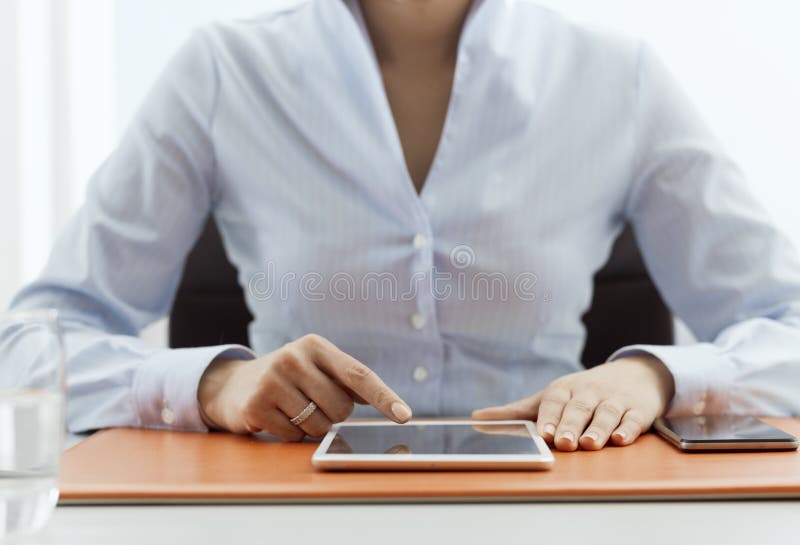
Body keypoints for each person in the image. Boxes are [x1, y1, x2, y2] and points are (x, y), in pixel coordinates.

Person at [5, 0, 800, 451]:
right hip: (288, 525)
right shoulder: (223, 72)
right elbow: (31, 345)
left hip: (549, 522)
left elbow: (788, 323)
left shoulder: (618, 79)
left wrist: (657, 376)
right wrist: (215, 383)